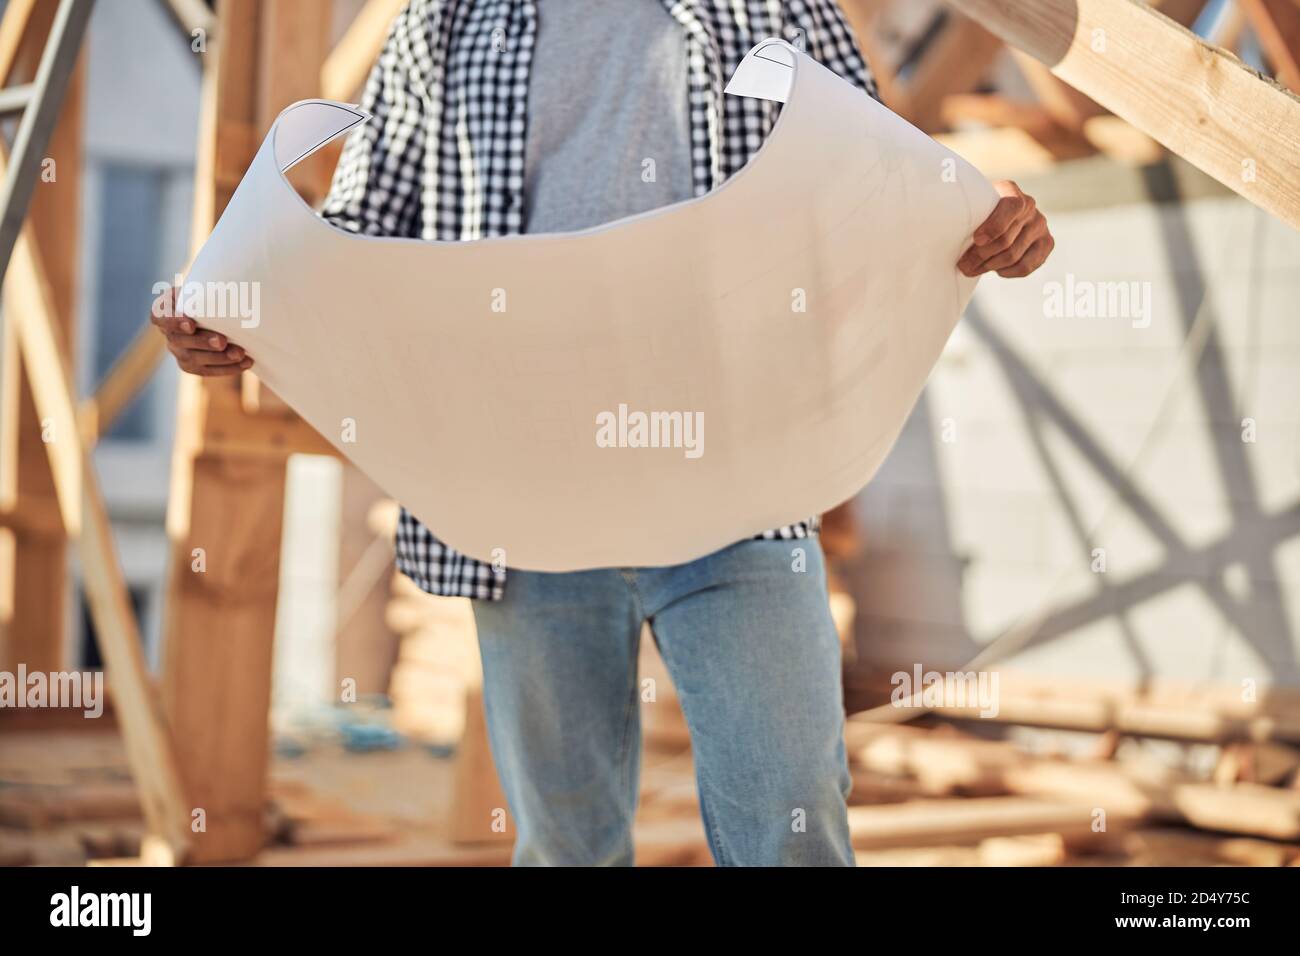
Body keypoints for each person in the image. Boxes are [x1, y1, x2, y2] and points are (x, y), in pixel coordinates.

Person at [150, 0, 1053, 866]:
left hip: (736, 483)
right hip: (525, 501)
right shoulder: (446, 20)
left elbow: (876, 177)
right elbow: (358, 238)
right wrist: (244, 306)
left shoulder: (766, 4)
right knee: (566, 848)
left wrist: (975, 207)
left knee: (792, 821)